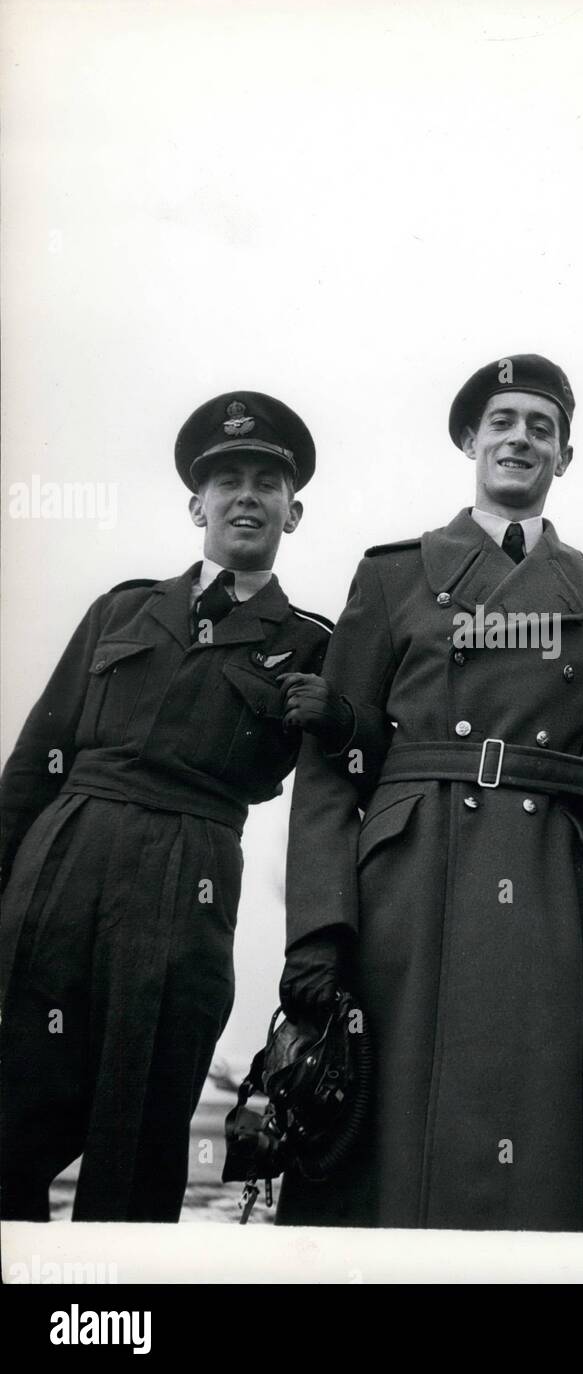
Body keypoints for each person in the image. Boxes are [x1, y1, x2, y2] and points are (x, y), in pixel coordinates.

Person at [276, 354, 583, 1230]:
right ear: (470, 440)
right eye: (502, 422)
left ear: (563, 457)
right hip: (407, 879)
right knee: (390, 1122)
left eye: (541, 427)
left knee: (525, 1119)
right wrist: (317, 925)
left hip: (542, 873)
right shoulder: (392, 576)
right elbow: (328, 767)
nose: (519, 439)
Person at [0, 391, 364, 1222]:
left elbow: (350, 779)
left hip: (187, 876)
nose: (246, 496)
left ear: (293, 512)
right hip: (59, 864)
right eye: (227, 480)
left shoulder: (314, 644)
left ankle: (124, 1300)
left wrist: (341, 717)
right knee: (13, 1103)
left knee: (145, 1114)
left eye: (266, 483)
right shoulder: (121, 610)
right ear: (195, 503)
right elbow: (33, 762)